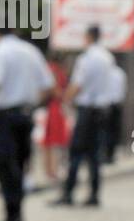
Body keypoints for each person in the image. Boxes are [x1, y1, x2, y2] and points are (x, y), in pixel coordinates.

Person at [0, 28, 53, 221]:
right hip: (25, 116)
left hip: (4, 117)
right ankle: (17, 215)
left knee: (5, 167)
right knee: (20, 166)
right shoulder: (31, 51)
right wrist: (31, 105)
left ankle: (11, 216)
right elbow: (48, 86)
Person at [53, 25, 113, 207]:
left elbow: (78, 84)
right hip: (102, 110)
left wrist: (66, 99)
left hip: (87, 110)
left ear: (88, 36)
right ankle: (94, 193)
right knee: (95, 154)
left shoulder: (86, 59)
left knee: (76, 152)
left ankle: (68, 192)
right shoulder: (107, 57)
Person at [41, 52, 70, 181]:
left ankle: (50, 170)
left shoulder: (52, 69)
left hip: (54, 106)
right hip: (54, 107)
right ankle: (52, 170)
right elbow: (54, 89)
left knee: (50, 141)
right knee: (53, 141)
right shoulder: (53, 70)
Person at [101, 55, 127, 164]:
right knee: (113, 130)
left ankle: (105, 154)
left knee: (106, 130)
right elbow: (123, 89)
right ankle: (110, 154)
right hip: (116, 104)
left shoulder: (105, 73)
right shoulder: (121, 73)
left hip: (106, 104)